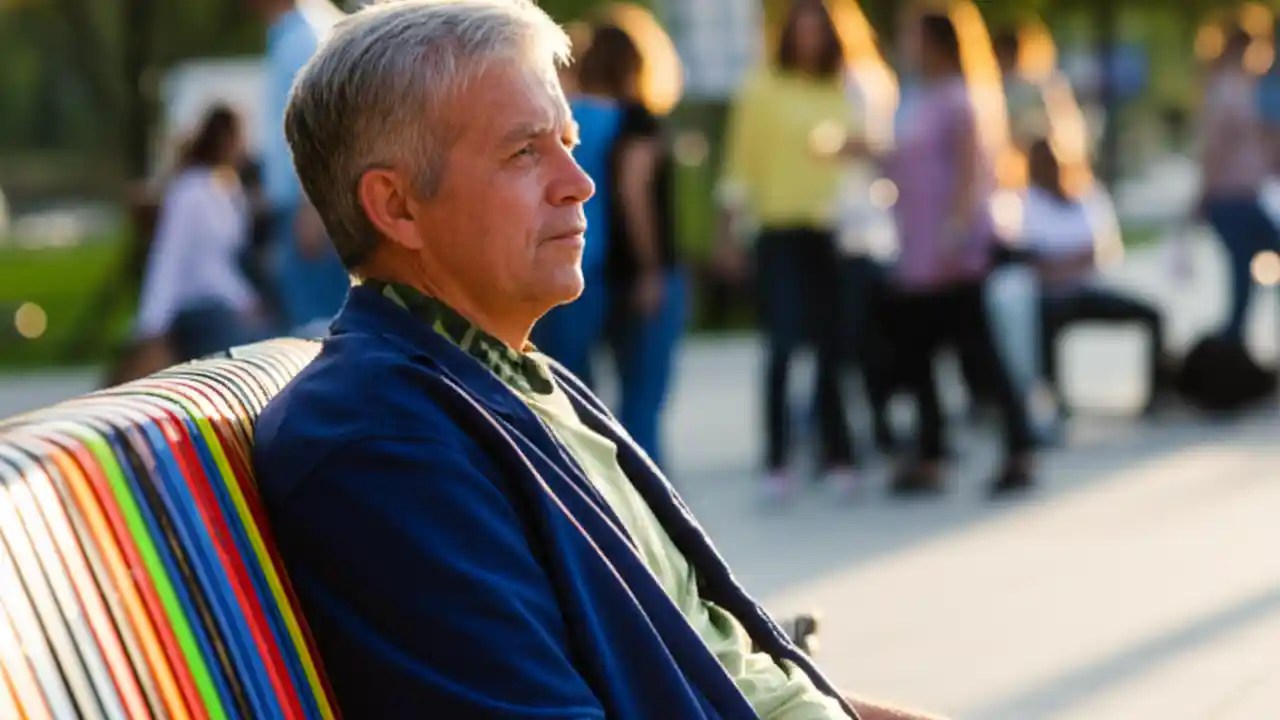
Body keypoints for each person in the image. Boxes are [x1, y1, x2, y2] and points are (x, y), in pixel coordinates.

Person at [254, 2, 943, 718]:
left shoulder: (506, 380)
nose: (579, 182)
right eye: (524, 152)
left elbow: (717, 667)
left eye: (568, 141)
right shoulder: (384, 443)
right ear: (396, 207)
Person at [884, 12, 1035, 496]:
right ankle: (932, 451)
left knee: (977, 354)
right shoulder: (918, 97)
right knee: (918, 353)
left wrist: (955, 232)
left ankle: (1019, 443)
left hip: (951, 252)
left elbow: (972, 173)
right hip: (917, 249)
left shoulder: (963, 98)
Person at [718, 0, 859, 498]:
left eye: (817, 31)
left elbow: (864, 151)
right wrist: (727, 233)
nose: (808, 40)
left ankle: (838, 453)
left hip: (833, 230)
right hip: (779, 232)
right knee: (781, 346)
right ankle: (776, 459)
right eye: (800, 30)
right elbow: (740, 167)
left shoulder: (842, 86)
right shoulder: (762, 89)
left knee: (832, 346)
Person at [570, 23, 688, 468]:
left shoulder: (563, 115)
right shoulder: (636, 119)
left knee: (578, 394)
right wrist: (651, 269)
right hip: (638, 271)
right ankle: (647, 499)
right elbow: (634, 193)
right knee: (642, 399)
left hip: (588, 268)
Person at [1020, 139, 1169, 417]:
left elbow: (1102, 251)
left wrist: (1063, 263)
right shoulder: (1028, 202)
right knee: (1045, 317)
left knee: (1153, 314)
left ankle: (1159, 394)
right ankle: (1051, 397)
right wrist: (1069, 262)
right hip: (1052, 295)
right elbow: (1035, 263)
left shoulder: (1089, 197)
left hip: (1089, 289)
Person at [132, 105, 268, 367]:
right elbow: (171, 257)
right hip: (201, 308)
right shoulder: (190, 192)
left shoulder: (229, 189)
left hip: (226, 301)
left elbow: (227, 261)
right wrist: (151, 324)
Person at [249, 0, 350, 336]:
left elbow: (326, 125)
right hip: (303, 204)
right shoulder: (300, 33)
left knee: (315, 329)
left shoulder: (303, 38)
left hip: (308, 207)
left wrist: (312, 204)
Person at [528, 31, 623, 386]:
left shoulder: (563, 113)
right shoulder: (620, 120)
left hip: (554, 248)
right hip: (594, 254)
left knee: (562, 370)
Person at [1198, 23, 1279, 343]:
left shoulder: (1245, 88)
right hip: (1231, 196)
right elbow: (1214, 149)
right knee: (1242, 273)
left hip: (1247, 193)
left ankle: (1234, 342)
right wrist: (1202, 194)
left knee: (1244, 274)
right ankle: (1231, 346)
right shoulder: (1229, 90)